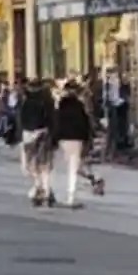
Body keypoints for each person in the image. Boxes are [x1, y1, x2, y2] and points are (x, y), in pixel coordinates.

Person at [18, 79, 57, 207]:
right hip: (44, 133)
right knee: (44, 164)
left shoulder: (25, 102)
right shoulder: (47, 101)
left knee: (32, 164)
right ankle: (46, 190)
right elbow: (52, 119)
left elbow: (21, 120)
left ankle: (39, 186)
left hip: (29, 135)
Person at [55, 80, 92, 209]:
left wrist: (56, 137)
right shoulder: (79, 105)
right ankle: (71, 195)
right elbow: (85, 123)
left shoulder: (61, 105)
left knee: (66, 165)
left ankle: (61, 193)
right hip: (76, 138)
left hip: (64, 137)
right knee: (73, 166)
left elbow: (57, 121)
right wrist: (87, 138)